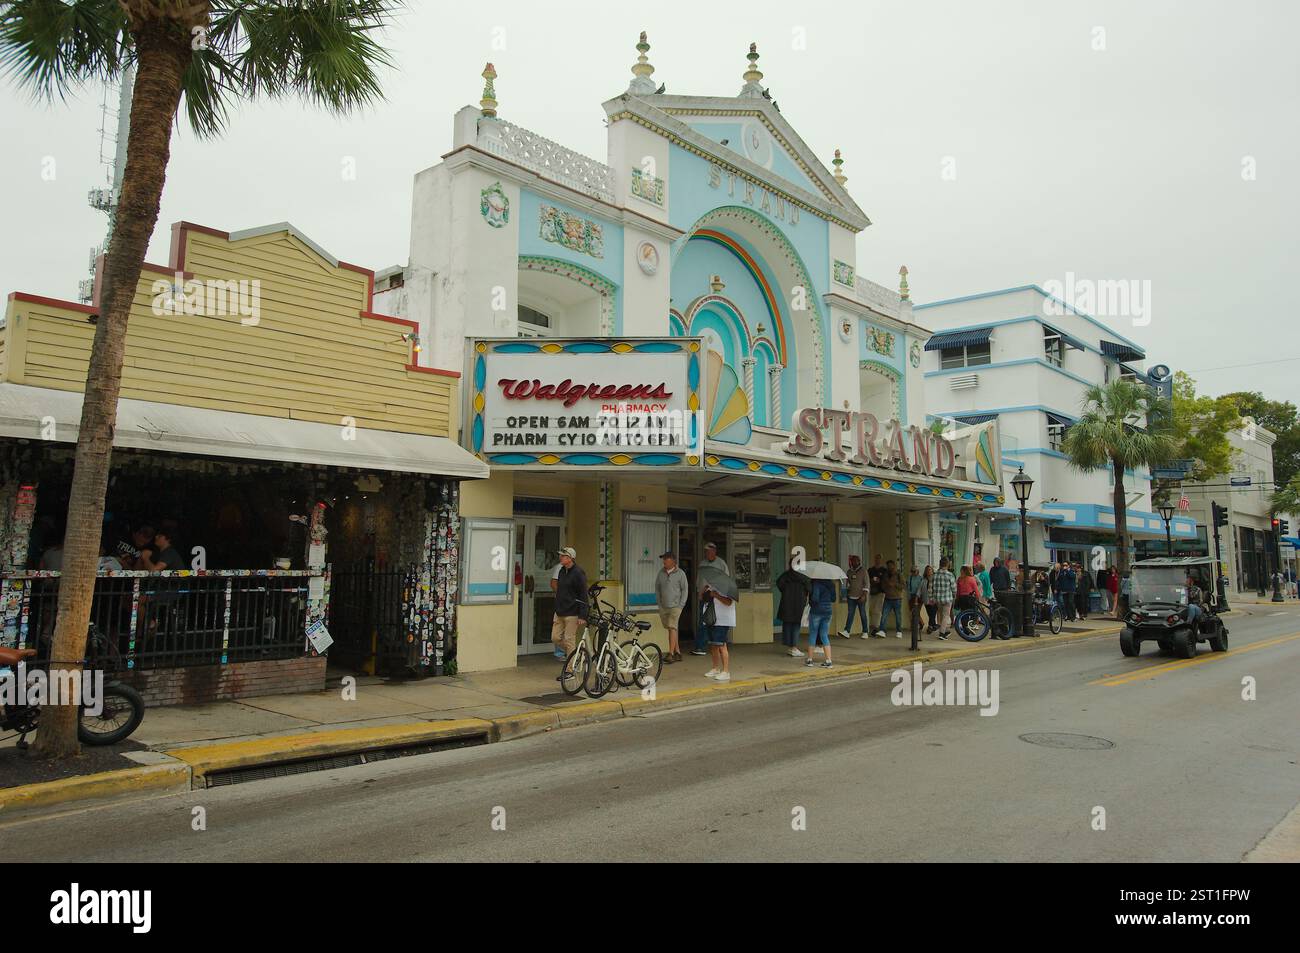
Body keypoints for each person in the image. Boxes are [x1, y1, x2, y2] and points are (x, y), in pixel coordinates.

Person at [550, 547, 589, 660]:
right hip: (560, 611)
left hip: (572, 612)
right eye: (560, 555)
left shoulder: (578, 573)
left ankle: (570, 670)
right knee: (555, 638)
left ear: (570, 558)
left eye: (563, 556)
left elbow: (583, 594)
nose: (560, 558)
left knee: (569, 639)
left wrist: (582, 614)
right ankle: (575, 653)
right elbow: (560, 590)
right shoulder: (562, 570)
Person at [694, 544, 731, 656]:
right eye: (706, 552)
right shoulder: (703, 563)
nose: (708, 554)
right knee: (704, 621)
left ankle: (717, 643)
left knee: (716, 621)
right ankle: (701, 646)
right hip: (705, 596)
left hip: (717, 597)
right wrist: (699, 592)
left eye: (710, 551)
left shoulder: (721, 564)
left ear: (715, 551)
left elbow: (726, 581)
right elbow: (699, 580)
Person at [655, 551, 688, 663]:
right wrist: (659, 604)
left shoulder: (681, 573)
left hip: (675, 606)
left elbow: (685, 589)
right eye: (663, 559)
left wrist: (681, 605)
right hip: (664, 606)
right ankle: (678, 652)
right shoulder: (661, 573)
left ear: (673, 561)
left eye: (666, 559)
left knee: (672, 627)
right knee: (671, 628)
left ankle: (671, 653)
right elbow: (657, 588)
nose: (664, 561)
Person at [775, 558, 812, 657]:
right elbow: (809, 588)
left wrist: (786, 591)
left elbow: (779, 584)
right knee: (796, 625)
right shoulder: (804, 576)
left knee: (787, 624)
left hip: (786, 603)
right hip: (799, 604)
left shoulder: (785, 575)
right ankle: (794, 647)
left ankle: (790, 647)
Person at [700, 580, 736, 682]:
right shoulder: (711, 586)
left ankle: (726, 671)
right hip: (711, 620)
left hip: (723, 620)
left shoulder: (728, 588)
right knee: (713, 645)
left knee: (721, 645)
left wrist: (716, 595)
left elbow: (729, 602)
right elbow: (701, 598)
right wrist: (705, 589)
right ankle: (715, 668)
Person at [805, 574, 836, 667]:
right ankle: (828, 660)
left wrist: (810, 602)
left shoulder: (817, 584)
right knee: (824, 635)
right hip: (828, 612)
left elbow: (815, 599)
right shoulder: (831, 584)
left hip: (816, 611)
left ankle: (810, 660)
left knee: (813, 634)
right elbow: (833, 599)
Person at [840, 554, 869, 638]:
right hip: (851, 596)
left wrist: (864, 595)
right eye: (852, 561)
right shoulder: (849, 571)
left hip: (861, 596)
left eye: (855, 561)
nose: (853, 562)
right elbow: (848, 582)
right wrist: (846, 590)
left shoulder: (863, 571)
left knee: (862, 614)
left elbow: (867, 584)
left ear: (859, 561)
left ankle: (865, 632)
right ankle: (847, 631)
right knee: (850, 614)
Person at [932, 557, 957, 640]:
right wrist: (954, 595)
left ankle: (945, 630)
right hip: (947, 598)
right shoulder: (949, 575)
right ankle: (942, 634)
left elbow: (930, 588)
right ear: (947, 564)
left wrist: (931, 598)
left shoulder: (934, 575)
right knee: (946, 615)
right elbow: (954, 588)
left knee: (942, 615)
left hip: (937, 599)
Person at [879, 560, 904, 638]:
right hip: (888, 597)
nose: (889, 567)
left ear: (894, 565)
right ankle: (882, 630)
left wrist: (895, 584)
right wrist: (886, 588)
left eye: (890, 565)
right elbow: (882, 584)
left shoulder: (899, 574)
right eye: (888, 565)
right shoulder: (885, 574)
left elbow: (903, 585)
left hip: (897, 598)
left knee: (897, 615)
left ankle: (899, 631)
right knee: (884, 615)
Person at [867, 554, 887, 637]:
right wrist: (872, 581)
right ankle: (872, 626)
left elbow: (886, 580)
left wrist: (880, 581)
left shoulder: (884, 570)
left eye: (879, 558)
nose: (877, 560)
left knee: (877, 610)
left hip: (880, 592)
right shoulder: (870, 570)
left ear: (881, 560)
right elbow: (867, 580)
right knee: (871, 610)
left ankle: (877, 627)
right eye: (876, 558)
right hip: (872, 592)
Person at [907, 565, 929, 639]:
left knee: (916, 611)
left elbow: (921, 589)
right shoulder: (909, 578)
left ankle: (918, 625)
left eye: (914, 571)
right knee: (912, 611)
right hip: (911, 596)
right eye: (912, 571)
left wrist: (920, 597)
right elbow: (908, 588)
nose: (913, 573)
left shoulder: (921, 579)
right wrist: (909, 597)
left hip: (919, 597)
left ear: (918, 571)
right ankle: (919, 624)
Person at [922, 565, 938, 632]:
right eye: (927, 570)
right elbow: (921, 589)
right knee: (930, 614)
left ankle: (930, 627)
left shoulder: (935, 579)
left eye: (930, 570)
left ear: (932, 571)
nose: (929, 571)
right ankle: (934, 625)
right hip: (926, 599)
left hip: (934, 600)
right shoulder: (924, 580)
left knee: (932, 613)